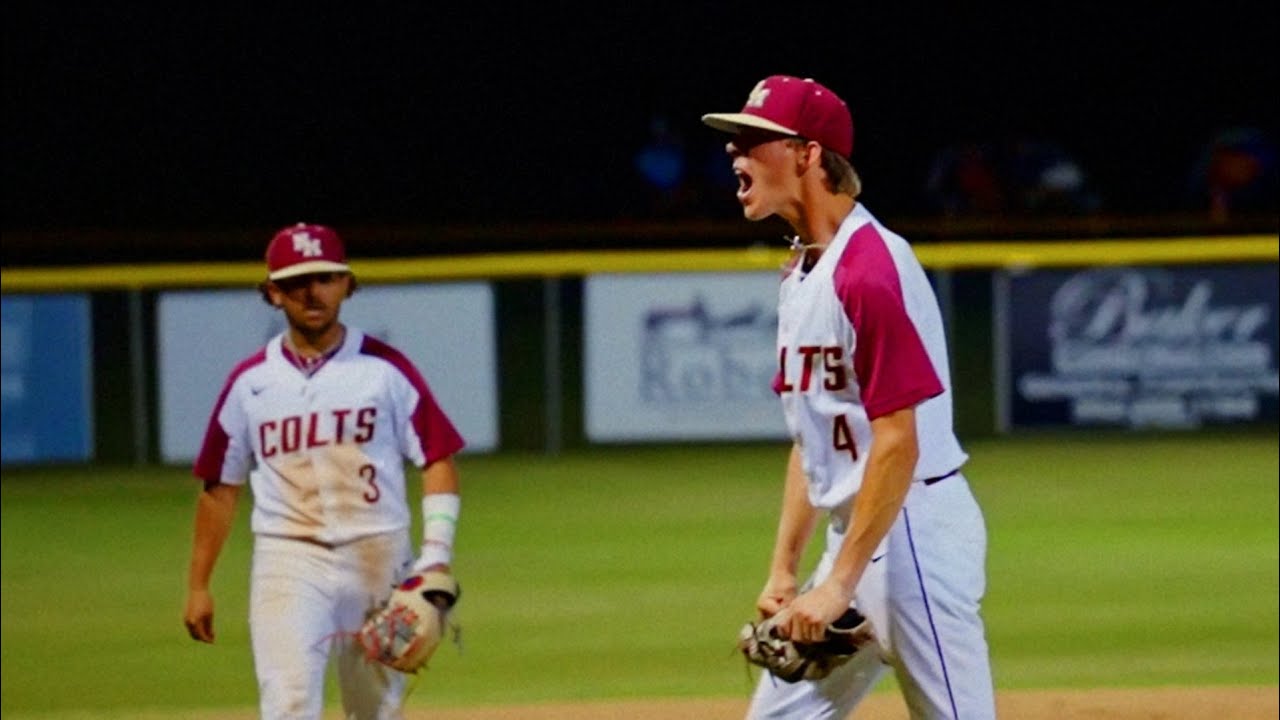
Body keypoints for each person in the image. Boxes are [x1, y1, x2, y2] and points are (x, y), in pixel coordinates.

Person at [702, 76, 996, 718]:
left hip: (915, 534)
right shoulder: (804, 272)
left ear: (808, 155)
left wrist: (839, 584)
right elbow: (812, 443)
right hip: (859, 537)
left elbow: (898, 437)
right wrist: (785, 570)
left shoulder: (870, 269)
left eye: (755, 141)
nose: (735, 153)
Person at [183, 222, 466, 720]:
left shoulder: (386, 370)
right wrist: (199, 585)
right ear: (272, 293)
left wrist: (436, 556)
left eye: (324, 277)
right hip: (288, 560)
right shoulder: (249, 383)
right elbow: (219, 488)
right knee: (288, 705)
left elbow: (437, 457)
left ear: (347, 284)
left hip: (378, 554)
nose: (311, 291)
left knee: (374, 711)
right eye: (295, 281)